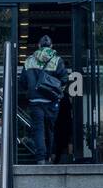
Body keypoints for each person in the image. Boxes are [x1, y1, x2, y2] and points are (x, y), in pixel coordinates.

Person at [21, 36, 68, 164]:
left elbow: (23, 82)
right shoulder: (57, 60)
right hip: (51, 102)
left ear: (38, 45)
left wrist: (31, 89)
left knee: (38, 130)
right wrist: (57, 93)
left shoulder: (29, 61)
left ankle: (41, 158)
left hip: (35, 102)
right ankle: (49, 156)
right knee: (50, 129)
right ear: (51, 46)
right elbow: (64, 80)